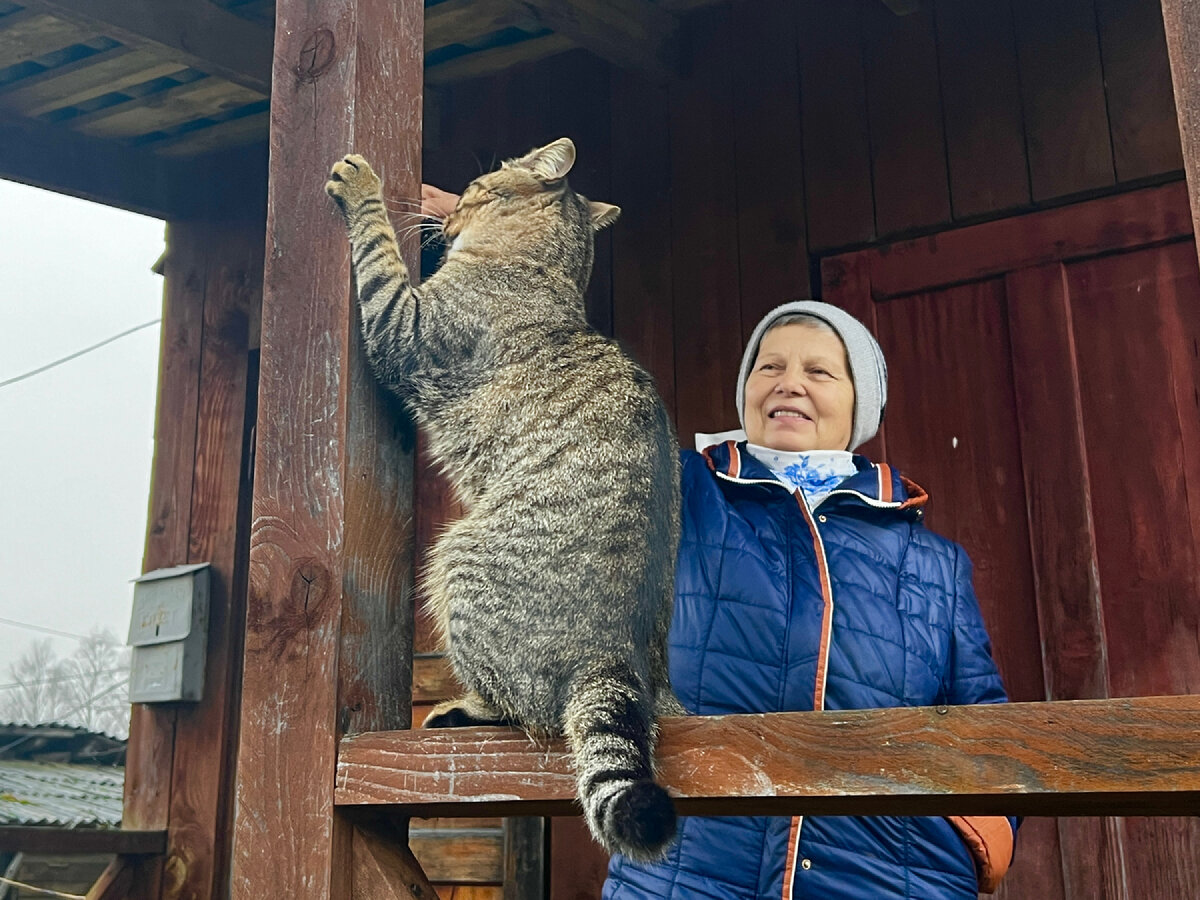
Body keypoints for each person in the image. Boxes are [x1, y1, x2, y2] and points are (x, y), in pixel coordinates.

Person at [419, 187, 1016, 898]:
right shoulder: (674, 494)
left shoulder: (933, 565)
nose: (788, 383)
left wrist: (974, 837)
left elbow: (987, 731)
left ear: (861, 405)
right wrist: (504, 228)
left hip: (891, 880)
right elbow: (547, 420)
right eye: (769, 366)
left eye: (819, 371)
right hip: (688, 874)